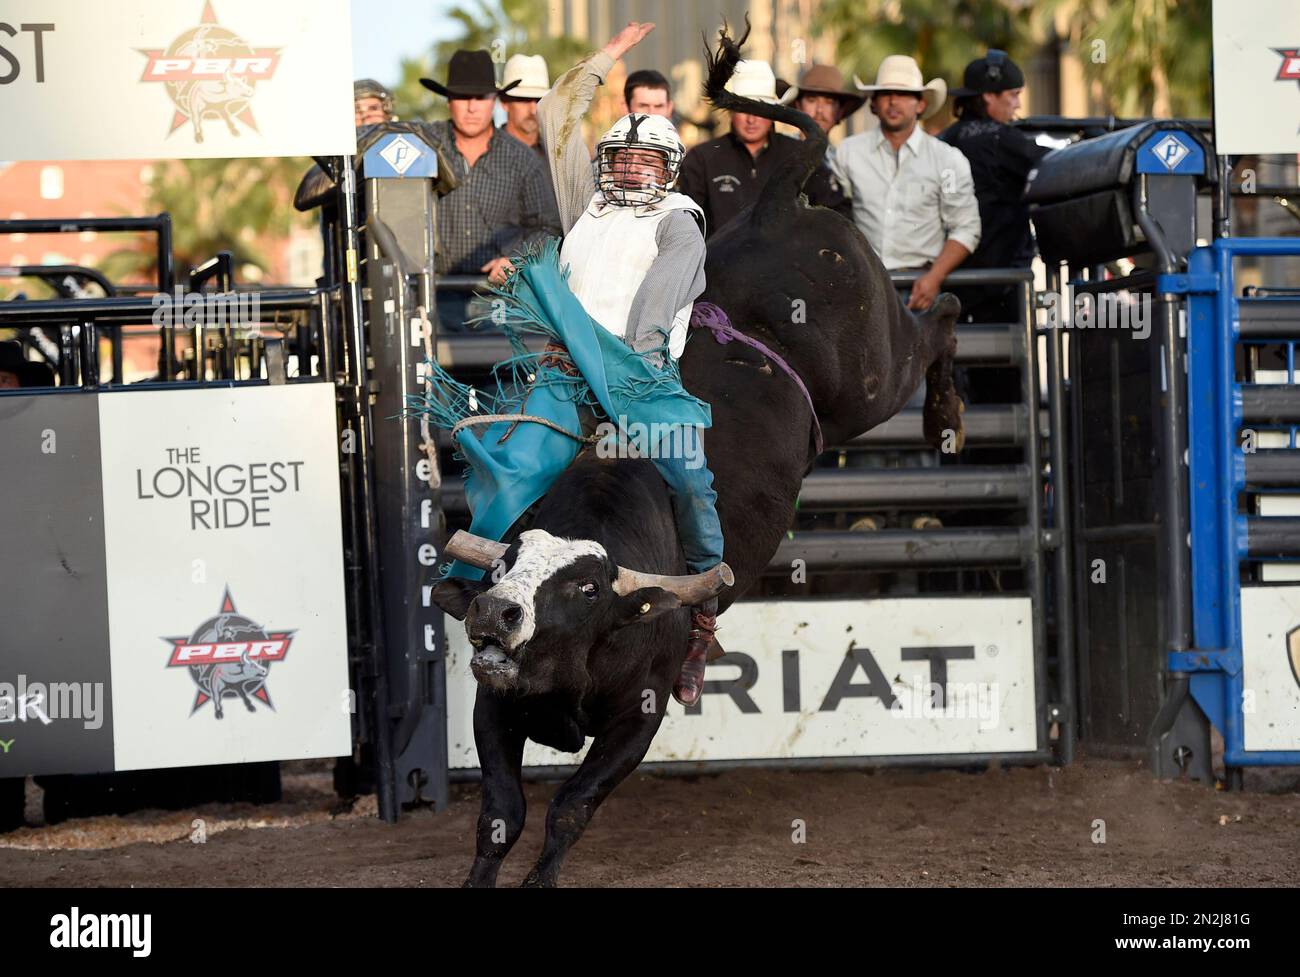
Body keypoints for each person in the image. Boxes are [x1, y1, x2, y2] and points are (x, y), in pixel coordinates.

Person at [537, 21, 724, 705]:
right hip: (566, 372)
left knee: (691, 480)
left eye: (646, 164)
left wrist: (639, 355)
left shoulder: (680, 217)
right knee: (514, 459)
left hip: (641, 378)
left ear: (668, 170)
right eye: (621, 161)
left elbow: (665, 290)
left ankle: (702, 619)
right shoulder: (582, 204)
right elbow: (556, 117)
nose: (631, 171)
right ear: (607, 162)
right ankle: (492, 586)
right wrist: (607, 59)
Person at [419, 49, 562, 329]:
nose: (472, 107)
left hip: (501, 298)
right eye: (462, 97)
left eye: (480, 98)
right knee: (431, 371)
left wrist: (516, 259)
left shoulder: (521, 158)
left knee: (502, 370)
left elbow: (549, 226)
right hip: (433, 296)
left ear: (494, 101)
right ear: (449, 101)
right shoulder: (424, 144)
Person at [832, 55, 980, 311]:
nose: (893, 101)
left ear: (920, 104)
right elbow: (834, 220)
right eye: (886, 93)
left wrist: (934, 277)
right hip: (862, 285)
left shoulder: (947, 159)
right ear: (874, 104)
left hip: (919, 287)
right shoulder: (847, 153)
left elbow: (967, 228)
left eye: (903, 94)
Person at [678, 59, 849, 238]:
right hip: (717, 264)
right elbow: (687, 228)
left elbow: (837, 214)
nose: (752, 119)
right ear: (730, 111)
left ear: (773, 113)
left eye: (761, 111)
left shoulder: (800, 156)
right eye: (743, 110)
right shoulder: (701, 159)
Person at [939, 50, 1049, 324]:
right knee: (1011, 362)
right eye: (1012, 95)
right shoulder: (1004, 139)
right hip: (1000, 284)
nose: (1018, 104)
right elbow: (1055, 165)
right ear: (989, 95)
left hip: (948, 279)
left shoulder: (944, 139)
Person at [786, 63, 862, 220]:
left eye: (829, 102)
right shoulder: (780, 151)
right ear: (798, 106)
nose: (819, 110)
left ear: (839, 112)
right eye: (812, 100)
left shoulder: (845, 161)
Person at [499, 54, 550, 158]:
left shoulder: (555, 157)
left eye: (539, 100)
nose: (533, 110)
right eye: (524, 100)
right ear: (504, 102)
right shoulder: (487, 152)